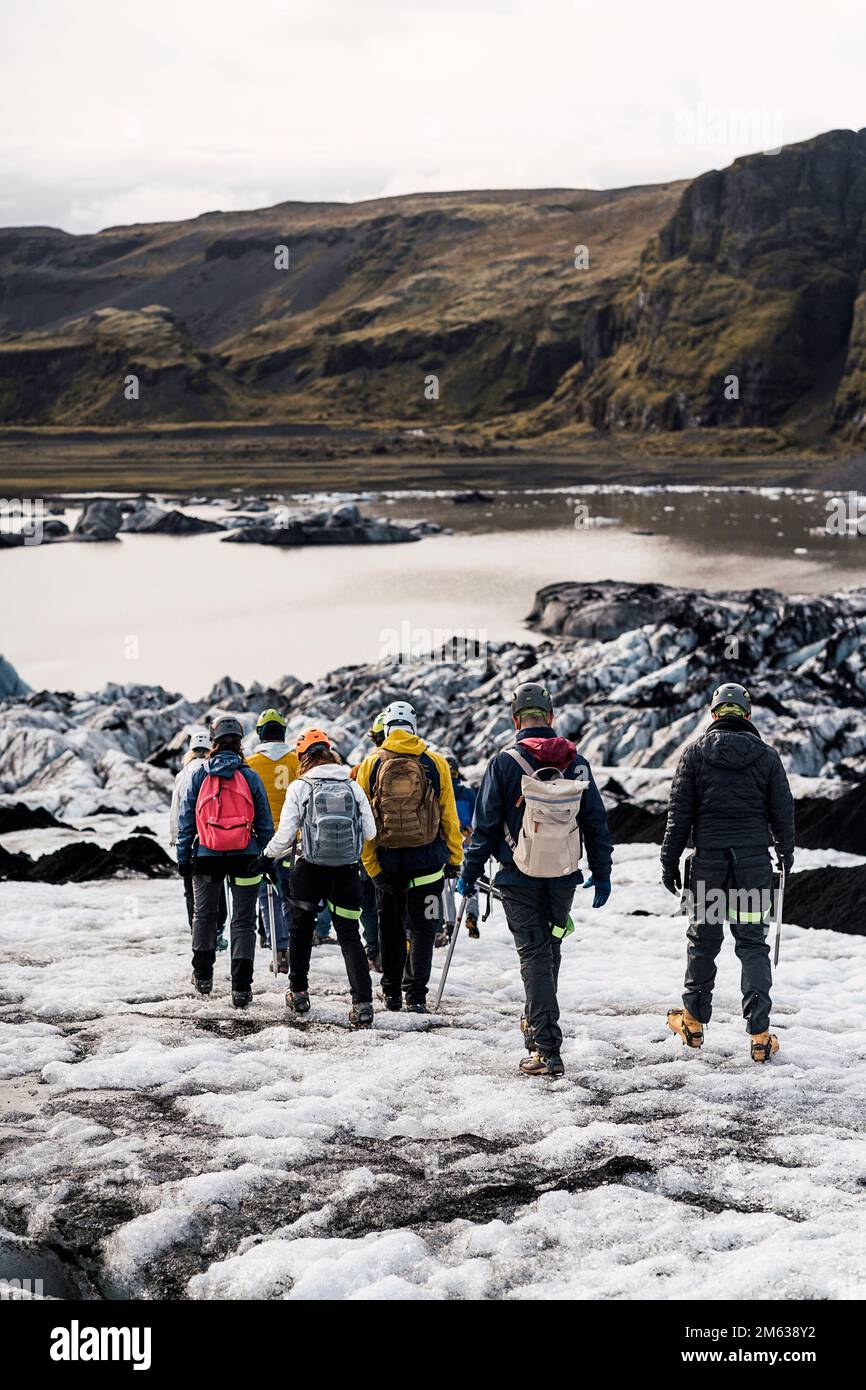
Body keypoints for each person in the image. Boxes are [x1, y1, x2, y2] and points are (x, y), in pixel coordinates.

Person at [460, 682, 613, 1078]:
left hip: (517, 875)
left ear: (515, 720)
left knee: (534, 955)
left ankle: (547, 1048)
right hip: (564, 876)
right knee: (549, 951)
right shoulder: (577, 763)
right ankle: (536, 1024)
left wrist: (469, 873)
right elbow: (595, 821)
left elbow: (485, 827)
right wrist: (602, 871)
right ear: (550, 717)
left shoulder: (504, 762)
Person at [660, 682, 795, 1063]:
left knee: (703, 941)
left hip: (707, 866)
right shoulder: (767, 758)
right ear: (747, 716)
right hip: (752, 867)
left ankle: (692, 1023)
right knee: (752, 945)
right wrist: (786, 855)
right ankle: (759, 1036)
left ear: (714, 714)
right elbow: (783, 812)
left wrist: (669, 861)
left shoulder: (694, 756)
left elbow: (678, 816)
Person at [354, 701, 463, 1014]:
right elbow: (449, 817)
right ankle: (415, 995)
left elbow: (363, 822)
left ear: (386, 728)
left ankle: (391, 993)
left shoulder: (371, 763)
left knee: (390, 929)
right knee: (424, 930)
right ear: (414, 727)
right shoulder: (435, 762)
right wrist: (454, 858)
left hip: (387, 864)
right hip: (427, 863)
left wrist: (371, 866)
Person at [265, 728, 377, 1027]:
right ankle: (362, 1003)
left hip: (309, 870)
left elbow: (285, 836)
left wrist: (265, 856)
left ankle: (299, 992)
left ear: (303, 756)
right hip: (346, 871)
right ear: (329, 753)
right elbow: (370, 832)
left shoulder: (300, 786)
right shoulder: (352, 786)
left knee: (301, 932)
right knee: (350, 935)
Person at [175, 714, 274, 1007]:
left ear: (214, 740)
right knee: (243, 920)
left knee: (204, 917)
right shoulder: (250, 775)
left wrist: (183, 856)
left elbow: (186, 820)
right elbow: (265, 823)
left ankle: (203, 975)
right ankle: (241, 987)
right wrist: (266, 857)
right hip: (246, 855)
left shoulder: (199, 774)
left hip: (207, 855)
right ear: (240, 741)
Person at [246, 708, 299, 974]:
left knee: (267, 898)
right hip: (293, 841)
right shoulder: (296, 761)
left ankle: (277, 948)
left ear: (260, 734)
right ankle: (294, 945)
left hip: (262, 841)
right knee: (292, 895)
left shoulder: (251, 763)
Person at [169, 728, 228, 946]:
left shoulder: (184, 774)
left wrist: (176, 837)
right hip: (214, 838)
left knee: (191, 892)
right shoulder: (215, 769)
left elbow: (177, 809)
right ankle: (218, 930)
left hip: (191, 839)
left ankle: (197, 933)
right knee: (217, 887)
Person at [350, 711, 387, 970]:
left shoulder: (362, 767)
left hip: (368, 850)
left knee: (369, 907)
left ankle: (374, 952)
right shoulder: (424, 762)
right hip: (406, 850)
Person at [441, 750, 479, 940]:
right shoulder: (469, 793)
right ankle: (471, 914)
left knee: (447, 886)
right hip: (469, 843)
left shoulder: (441, 792)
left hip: (448, 846)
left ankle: (449, 923)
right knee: (472, 880)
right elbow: (478, 817)